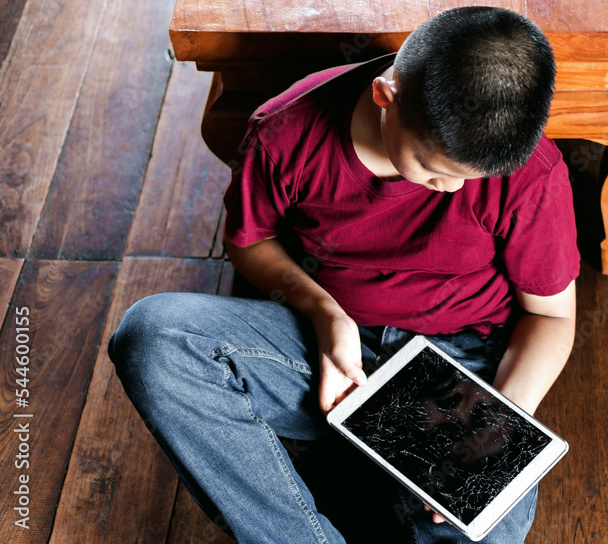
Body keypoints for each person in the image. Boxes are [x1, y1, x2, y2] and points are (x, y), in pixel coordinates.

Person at [108, 6, 579, 543]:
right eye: (435, 172)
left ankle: (375, 465)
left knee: (483, 527)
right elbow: (250, 243)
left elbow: (551, 314)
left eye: (468, 179)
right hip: (318, 351)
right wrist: (326, 315)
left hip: (459, 369)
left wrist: (492, 427)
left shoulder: (533, 171)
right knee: (155, 335)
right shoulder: (285, 130)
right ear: (386, 96)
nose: (451, 191)